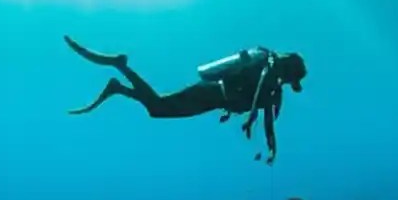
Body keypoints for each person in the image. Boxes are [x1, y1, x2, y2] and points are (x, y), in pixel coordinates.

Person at [63, 35, 306, 164]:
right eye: (293, 79)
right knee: (158, 107)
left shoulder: (273, 86)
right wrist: (251, 120)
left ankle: (120, 87)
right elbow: (262, 102)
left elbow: (268, 121)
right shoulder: (270, 75)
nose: (289, 84)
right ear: (290, 73)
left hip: (212, 98)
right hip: (210, 93)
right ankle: (121, 68)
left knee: (157, 109)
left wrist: (272, 145)